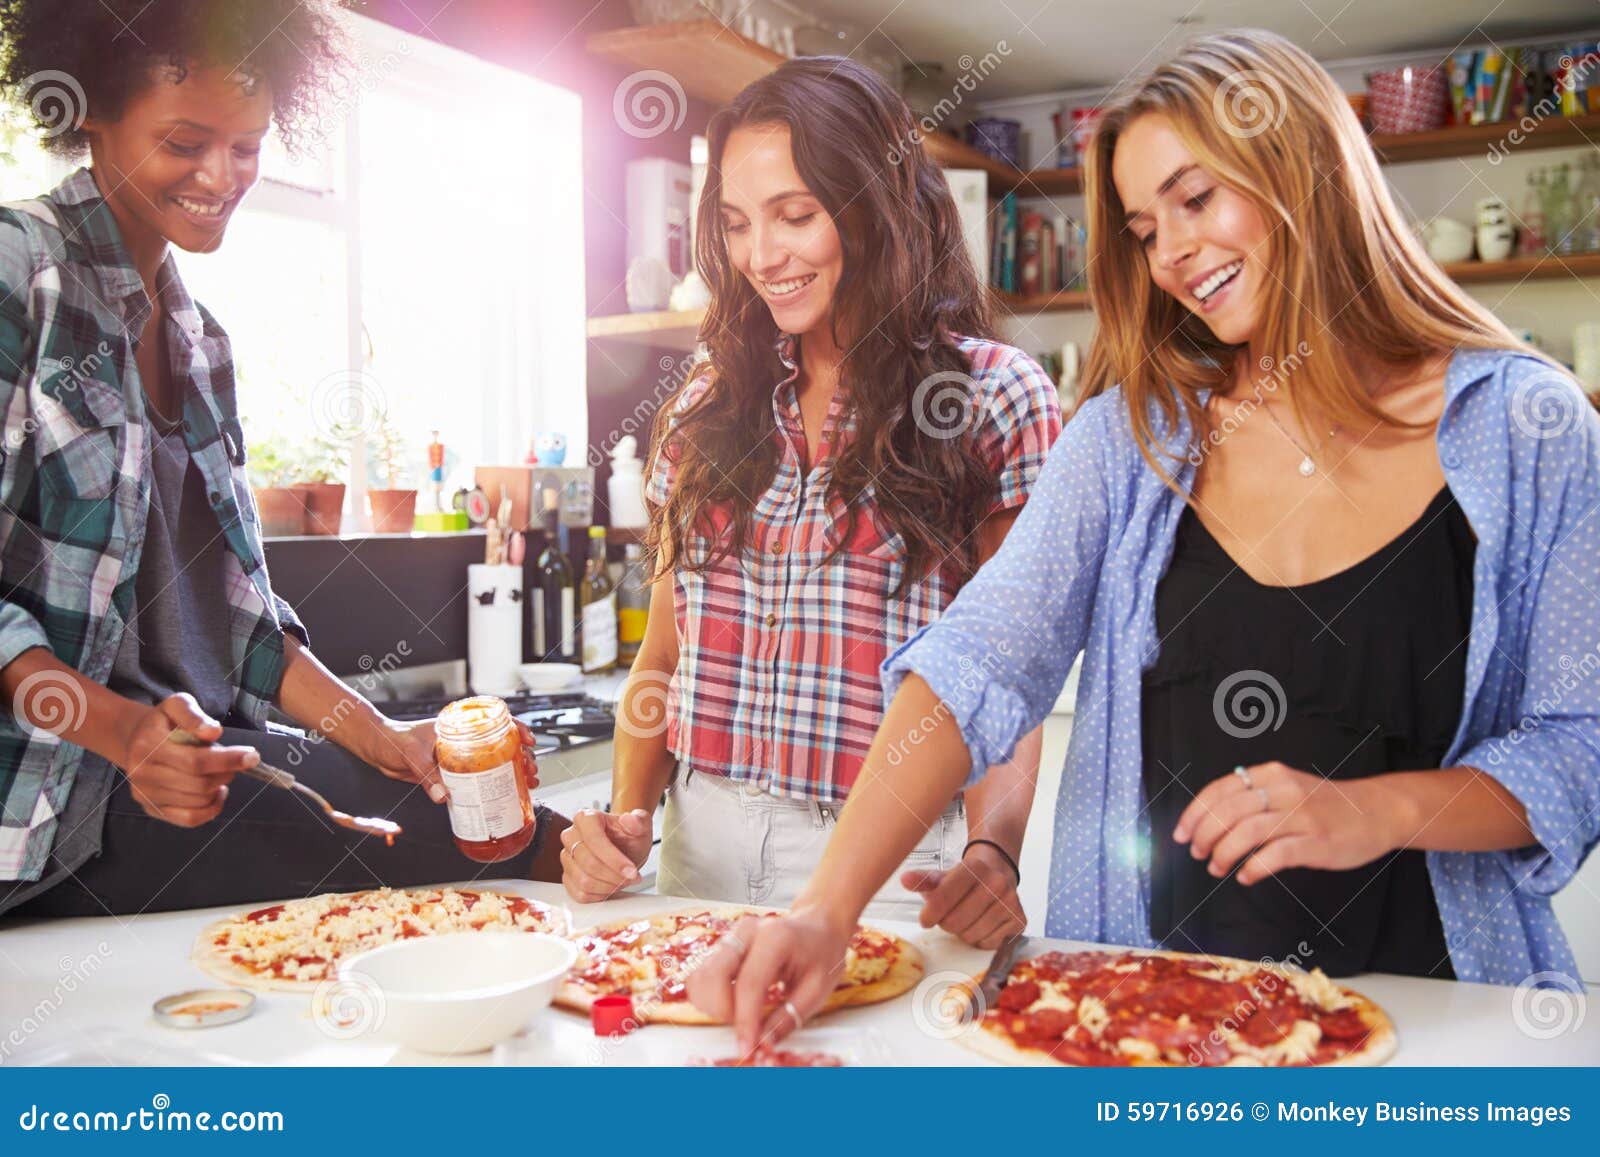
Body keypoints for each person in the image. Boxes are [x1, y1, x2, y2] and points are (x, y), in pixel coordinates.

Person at [688, 29, 1600, 1050]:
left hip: (1447, 1014)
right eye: (1140, 226)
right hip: (1141, 1013)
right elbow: (977, 663)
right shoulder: (1130, 439)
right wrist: (826, 907)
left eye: (1195, 199)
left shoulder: (1527, 429)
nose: (1169, 254)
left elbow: (1579, 742)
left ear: (1302, 168)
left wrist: (1376, 809)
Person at [0, 0, 557, 919]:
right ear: (89, 110)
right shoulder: (22, 271)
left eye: (247, 147)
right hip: (58, 804)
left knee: (476, 810)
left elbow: (242, 626)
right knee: (506, 847)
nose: (222, 176)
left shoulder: (200, 343)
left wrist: (385, 739)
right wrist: (127, 733)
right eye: (186, 141)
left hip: (201, 763)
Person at [559, 57, 1061, 944]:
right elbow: (662, 662)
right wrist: (624, 818)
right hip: (699, 853)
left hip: (894, 866)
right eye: (739, 223)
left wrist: (995, 850)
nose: (763, 256)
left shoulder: (993, 399)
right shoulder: (706, 405)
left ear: (876, 206)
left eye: (795, 215)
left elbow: (1008, 683)